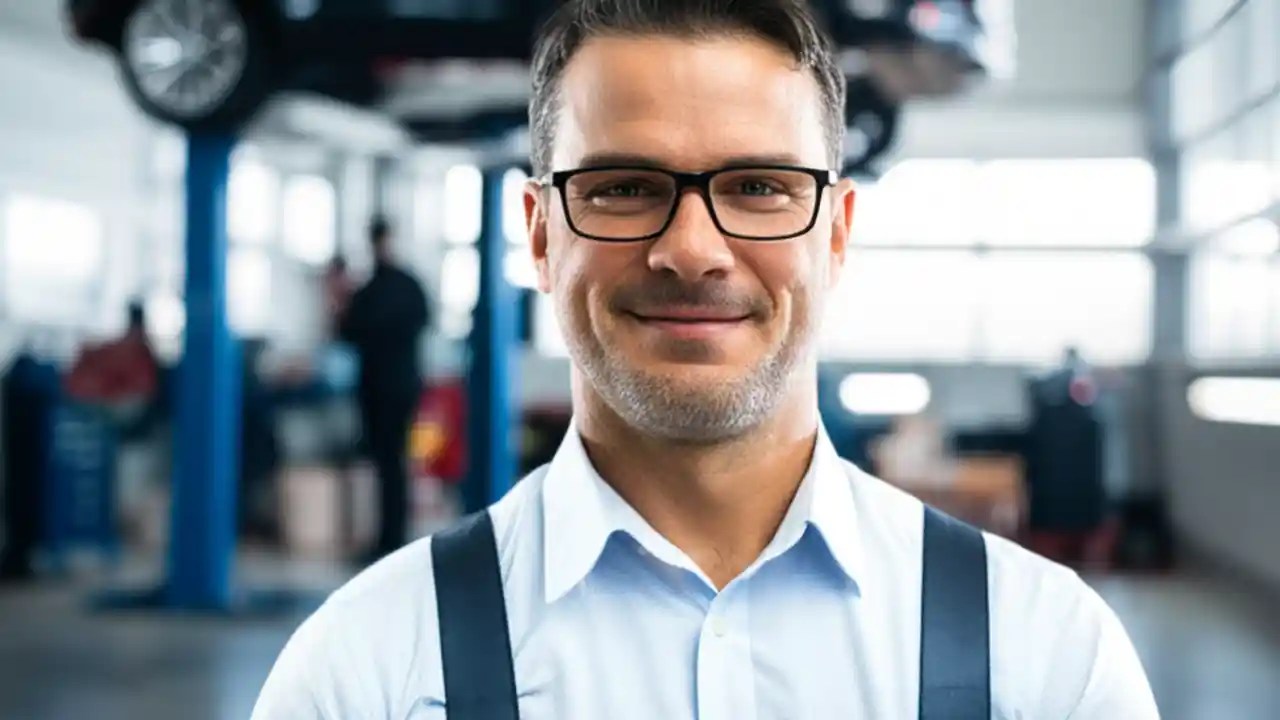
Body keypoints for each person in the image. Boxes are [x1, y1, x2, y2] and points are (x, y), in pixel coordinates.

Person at [253, 2, 1158, 717]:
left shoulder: (1045, 660)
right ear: (537, 234)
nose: (692, 249)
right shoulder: (366, 672)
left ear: (836, 236)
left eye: (758, 187)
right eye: (623, 187)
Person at [338, 218, 431, 562]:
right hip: (391, 386)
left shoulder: (376, 290)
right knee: (387, 462)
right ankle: (389, 536)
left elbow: (349, 331)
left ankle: (393, 537)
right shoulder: (399, 287)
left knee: (390, 462)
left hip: (388, 388)